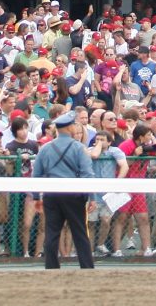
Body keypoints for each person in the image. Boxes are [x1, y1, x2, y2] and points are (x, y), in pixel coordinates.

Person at [32, 110, 95, 269]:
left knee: (52, 233)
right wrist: (92, 197)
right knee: (80, 232)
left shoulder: (45, 148)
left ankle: (51, 267)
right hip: (74, 195)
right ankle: (87, 267)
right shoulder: (79, 148)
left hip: (51, 195)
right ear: (69, 128)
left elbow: (36, 174)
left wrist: (36, 197)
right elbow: (88, 175)